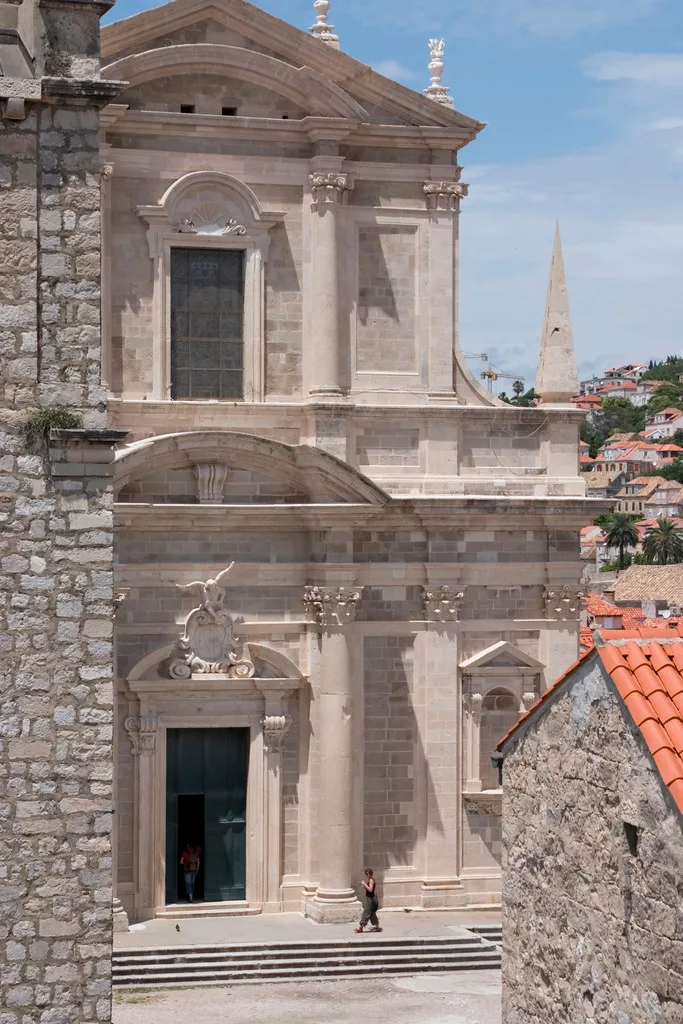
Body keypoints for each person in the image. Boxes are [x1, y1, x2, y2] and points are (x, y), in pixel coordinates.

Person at [355, 867, 382, 933]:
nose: (366, 875)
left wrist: (364, 884)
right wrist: (364, 887)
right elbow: (369, 890)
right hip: (370, 898)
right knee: (372, 913)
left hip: (371, 899)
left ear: (369, 873)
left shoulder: (371, 880)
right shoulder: (370, 880)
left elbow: (370, 889)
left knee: (366, 912)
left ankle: (361, 927)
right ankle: (377, 927)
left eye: (366, 874)